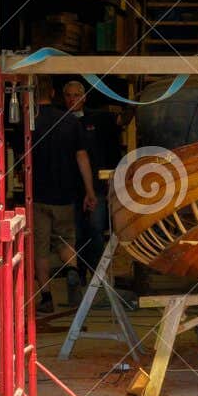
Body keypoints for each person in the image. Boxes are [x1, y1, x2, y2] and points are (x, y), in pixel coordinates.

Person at [29, 79, 96, 314]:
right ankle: (72, 271)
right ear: (54, 92)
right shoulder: (69, 120)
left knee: (41, 248)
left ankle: (46, 297)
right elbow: (82, 157)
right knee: (67, 240)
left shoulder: (29, 122)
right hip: (66, 194)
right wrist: (90, 191)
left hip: (37, 195)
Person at [61, 79, 121, 298]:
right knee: (76, 233)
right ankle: (80, 275)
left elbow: (112, 148)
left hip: (97, 186)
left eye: (76, 95)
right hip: (71, 189)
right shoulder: (61, 122)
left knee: (96, 230)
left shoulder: (100, 120)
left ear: (84, 97)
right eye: (68, 95)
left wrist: (112, 175)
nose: (72, 99)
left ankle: (98, 277)